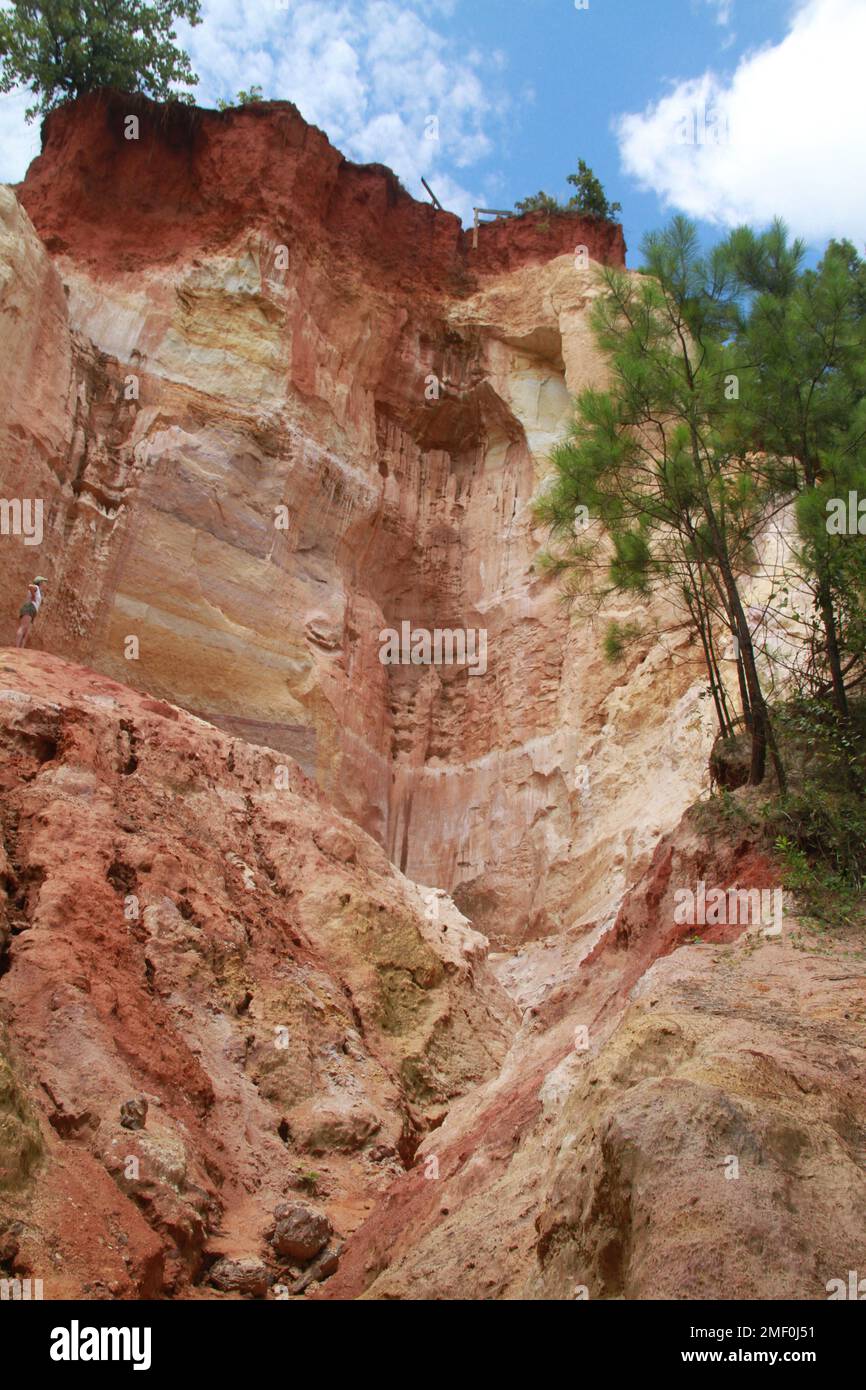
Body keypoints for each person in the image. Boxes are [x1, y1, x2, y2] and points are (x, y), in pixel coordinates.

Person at [16, 576, 48, 649]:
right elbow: (30, 586)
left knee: (27, 630)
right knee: (23, 627)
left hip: (32, 609)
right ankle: (17, 647)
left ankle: (21, 648)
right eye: (43, 582)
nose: (44, 584)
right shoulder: (36, 587)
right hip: (29, 607)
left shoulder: (38, 591)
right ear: (40, 583)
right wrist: (33, 595)